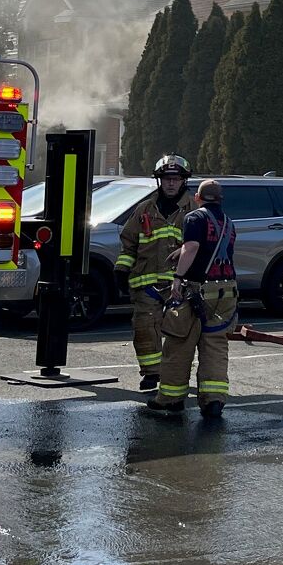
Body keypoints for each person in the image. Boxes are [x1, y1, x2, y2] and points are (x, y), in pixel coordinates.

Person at [149, 177, 238, 421]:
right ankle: (214, 402)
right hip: (226, 292)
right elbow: (213, 248)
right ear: (220, 199)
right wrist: (185, 250)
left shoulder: (194, 218)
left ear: (197, 198)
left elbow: (193, 248)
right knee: (215, 347)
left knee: (179, 343)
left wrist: (178, 277)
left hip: (197, 291)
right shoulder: (228, 223)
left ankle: (170, 399)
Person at [114, 155, 194, 391]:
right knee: (144, 330)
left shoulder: (194, 210)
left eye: (176, 178)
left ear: (183, 181)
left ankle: (175, 376)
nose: (171, 183)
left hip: (181, 286)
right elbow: (129, 244)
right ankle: (151, 373)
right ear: (160, 181)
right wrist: (121, 269)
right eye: (167, 178)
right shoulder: (144, 210)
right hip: (146, 285)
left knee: (179, 334)